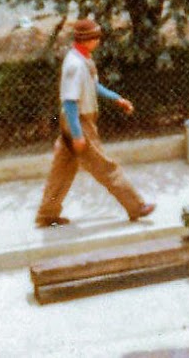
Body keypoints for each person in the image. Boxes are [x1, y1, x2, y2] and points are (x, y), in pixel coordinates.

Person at [36, 19, 154, 228]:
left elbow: (93, 86)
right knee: (105, 166)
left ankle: (47, 214)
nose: (99, 41)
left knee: (62, 170)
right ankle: (136, 206)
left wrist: (117, 99)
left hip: (77, 121)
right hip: (79, 121)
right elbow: (70, 102)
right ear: (87, 40)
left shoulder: (84, 59)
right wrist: (78, 134)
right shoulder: (74, 64)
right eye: (96, 37)